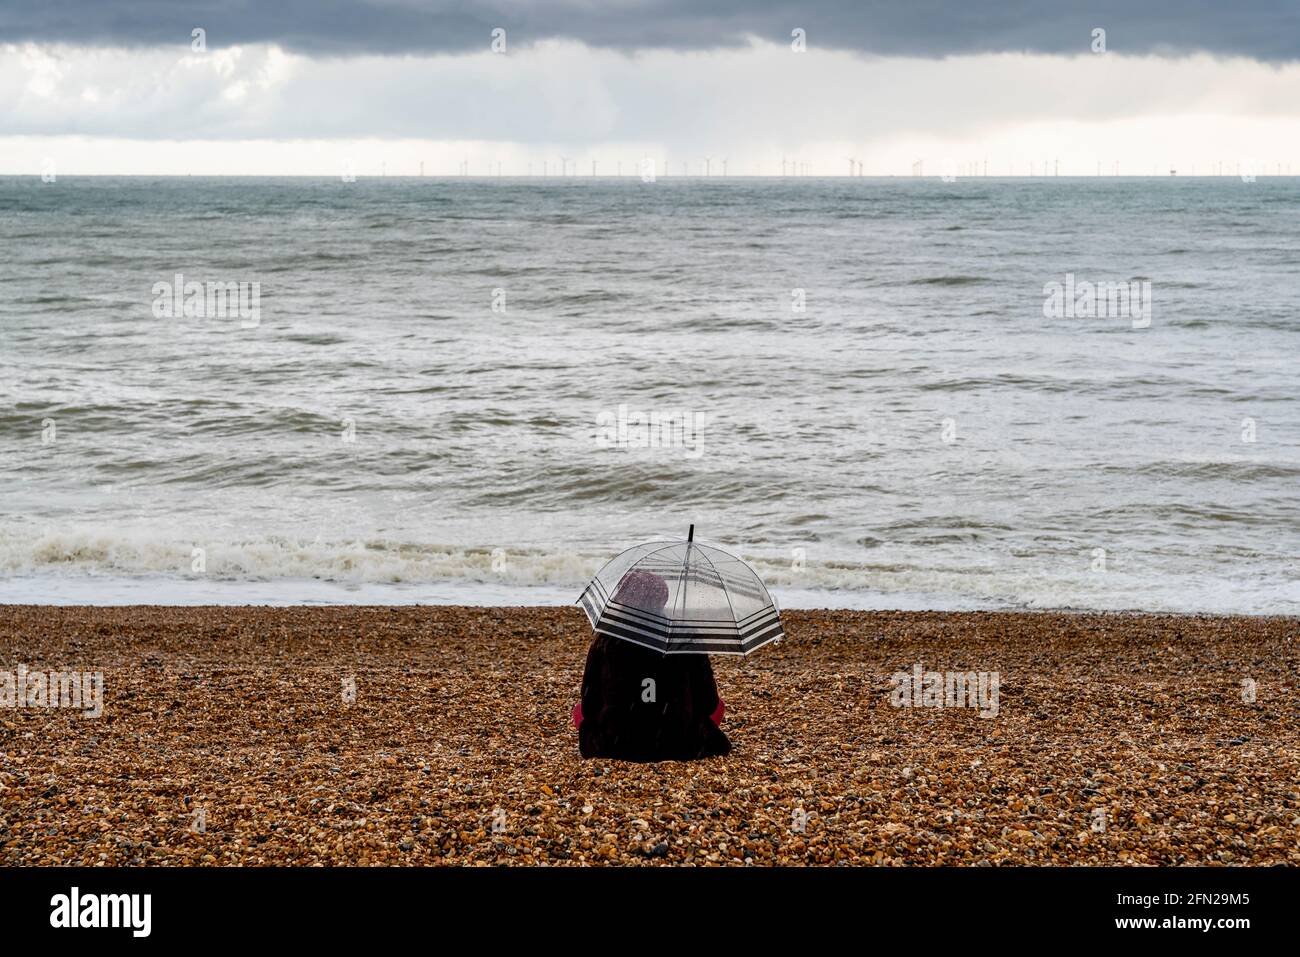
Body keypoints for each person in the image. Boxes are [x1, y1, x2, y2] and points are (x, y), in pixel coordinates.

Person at [573, 570, 730, 761]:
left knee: (578, 711)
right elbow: (709, 703)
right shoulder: (686, 637)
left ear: (624, 599)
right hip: (679, 744)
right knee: (718, 707)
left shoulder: (606, 640)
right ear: (663, 598)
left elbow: (589, 706)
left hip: (615, 744)